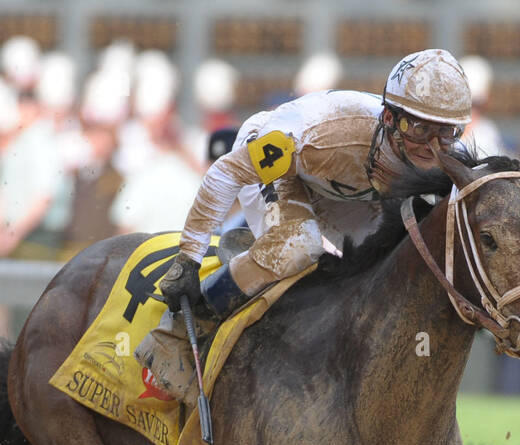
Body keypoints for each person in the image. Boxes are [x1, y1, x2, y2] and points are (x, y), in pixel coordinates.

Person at [136, 48, 474, 402]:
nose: (432, 147)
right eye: (418, 128)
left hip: (346, 188)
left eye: (446, 132)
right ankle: (183, 327)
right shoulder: (316, 136)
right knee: (300, 244)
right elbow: (224, 173)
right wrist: (187, 259)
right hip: (293, 168)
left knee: (377, 270)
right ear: (389, 118)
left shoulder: (445, 152)